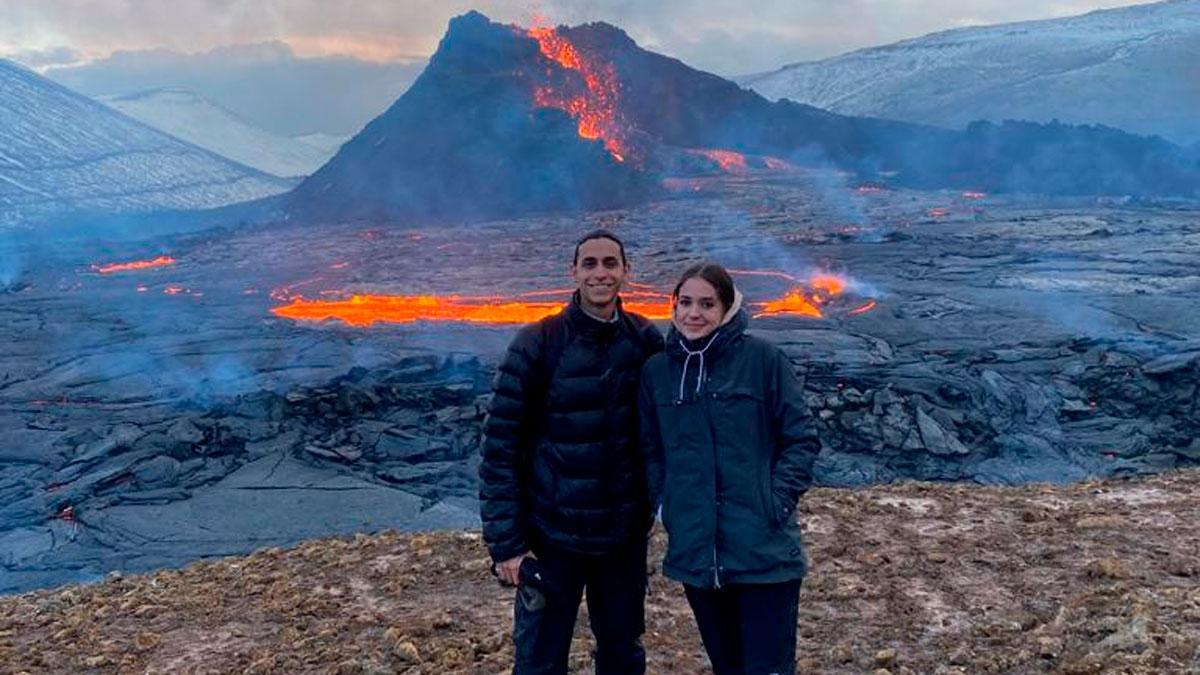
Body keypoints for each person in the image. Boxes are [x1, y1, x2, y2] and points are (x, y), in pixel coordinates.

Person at [479, 230, 664, 675]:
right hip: (551, 538)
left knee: (622, 652)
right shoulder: (538, 343)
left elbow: (667, 432)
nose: (600, 273)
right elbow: (500, 448)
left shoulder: (644, 341)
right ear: (574, 272)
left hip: (621, 538)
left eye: (609, 263)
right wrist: (507, 545)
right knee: (540, 658)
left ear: (625, 272)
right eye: (590, 264)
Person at [639, 262, 820, 675]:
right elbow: (651, 450)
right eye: (685, 303)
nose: (694, 313)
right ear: (673, 307)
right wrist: (668, 507)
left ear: (727, 309)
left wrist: (775, 502)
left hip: (763, 552)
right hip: (699, 556)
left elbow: (801, 438)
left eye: (707, 303)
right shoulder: (657, 373)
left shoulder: (763, 361)